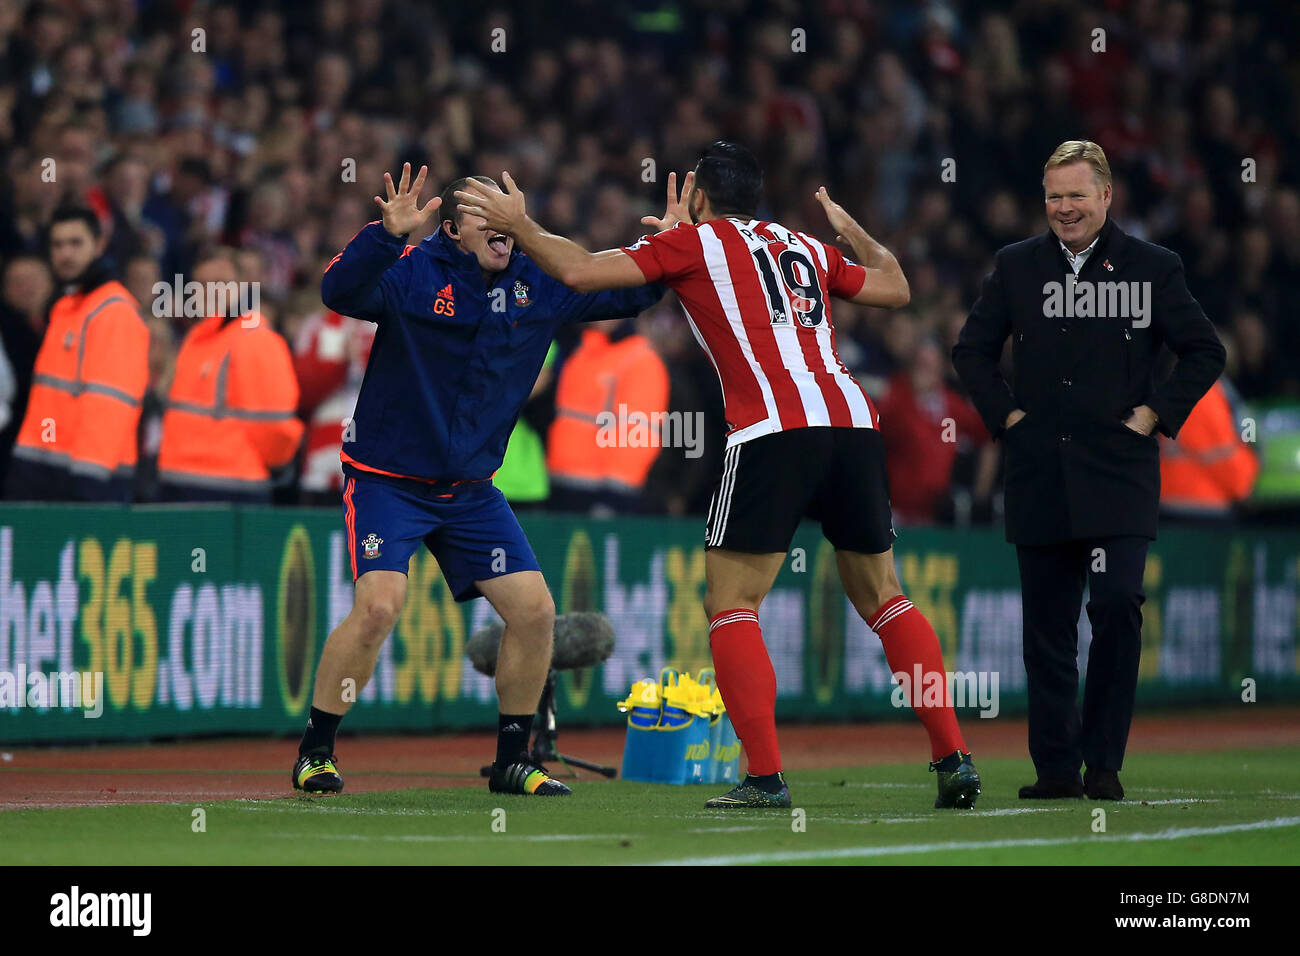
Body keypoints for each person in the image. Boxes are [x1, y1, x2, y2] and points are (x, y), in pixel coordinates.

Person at [458, 142, 980, 810]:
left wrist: (521, 223)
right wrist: (852, 233)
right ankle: (954, 757)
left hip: (771, 430)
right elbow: (896, 287)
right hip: (851, 423)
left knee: (732, 606)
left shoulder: (695, 244)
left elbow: (583, 272)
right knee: (886, 598)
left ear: (700, 196)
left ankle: (764, 777)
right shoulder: (802, 246)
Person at [296, 164, 663, 797]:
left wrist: (673, 245)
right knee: (380, 607)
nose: (501, 228)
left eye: (509, 215)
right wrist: (386, 237)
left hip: (469, 493)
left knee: (535, 612)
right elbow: (338, 292)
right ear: (452, 229)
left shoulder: (541, 284)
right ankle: (315, 751)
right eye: (484, 215)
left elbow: (631, 291)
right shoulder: (414, 272)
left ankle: (514, 760)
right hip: (389, 480)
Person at [952, 141, 1225, 800]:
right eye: (1054, 196)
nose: (1064, 208)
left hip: (1119, 472)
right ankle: (1055, 770)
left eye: (1076, 195)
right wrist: (1008, 418)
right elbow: (971, 351)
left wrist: (1156, 414)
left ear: (1106, 197)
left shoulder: (1153, 267)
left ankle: (1103, 761)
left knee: (1116, 607)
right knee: (1047, 628)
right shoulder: (1016, 266)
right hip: (1040, 470)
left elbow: (1203, 351)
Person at [6, 207, 149, 503]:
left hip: (85, 475)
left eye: (75, 243)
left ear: (99, 245)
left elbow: (110, 402)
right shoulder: (68, 308)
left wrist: (88, 478)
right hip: (44, 466)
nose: (66, 254)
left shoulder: (113, 312)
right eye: (58, 245)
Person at [155, 250, 304, 502]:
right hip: (179, 483)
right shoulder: (195, 341)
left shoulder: (257, 340)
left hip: (231, 489)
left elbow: (275, 427)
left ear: (242, 287)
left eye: (221, 284)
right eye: (201, 284)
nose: (210, 292)